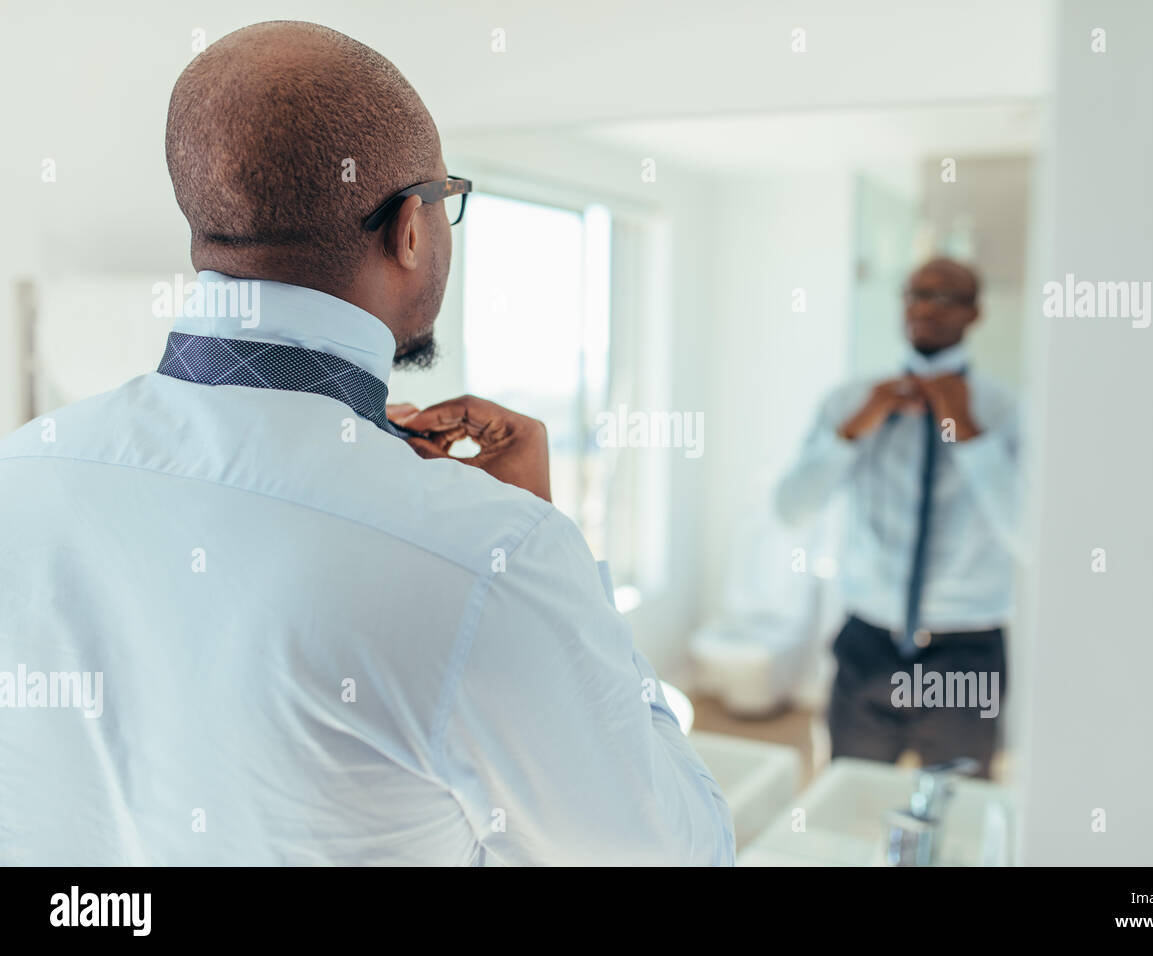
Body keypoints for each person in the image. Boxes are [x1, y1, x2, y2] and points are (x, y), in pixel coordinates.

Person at [0, 21, 734, 866]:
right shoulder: (494, 555)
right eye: (448, 199)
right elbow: (675, 854)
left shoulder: (22, 474)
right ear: (411, 230)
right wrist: (556, 580)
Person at [775, 258, 1019, 778]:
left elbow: (1030, 537)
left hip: (966, 650)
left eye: (945, 296)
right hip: (867, 641)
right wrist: (854, 431)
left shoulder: (1007, 411)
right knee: (848, 802)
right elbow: (790, 510)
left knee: (959, 817)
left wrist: (970, 436)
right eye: (915, 293)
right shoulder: (851, 402)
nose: (926, 306)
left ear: (975, 312)